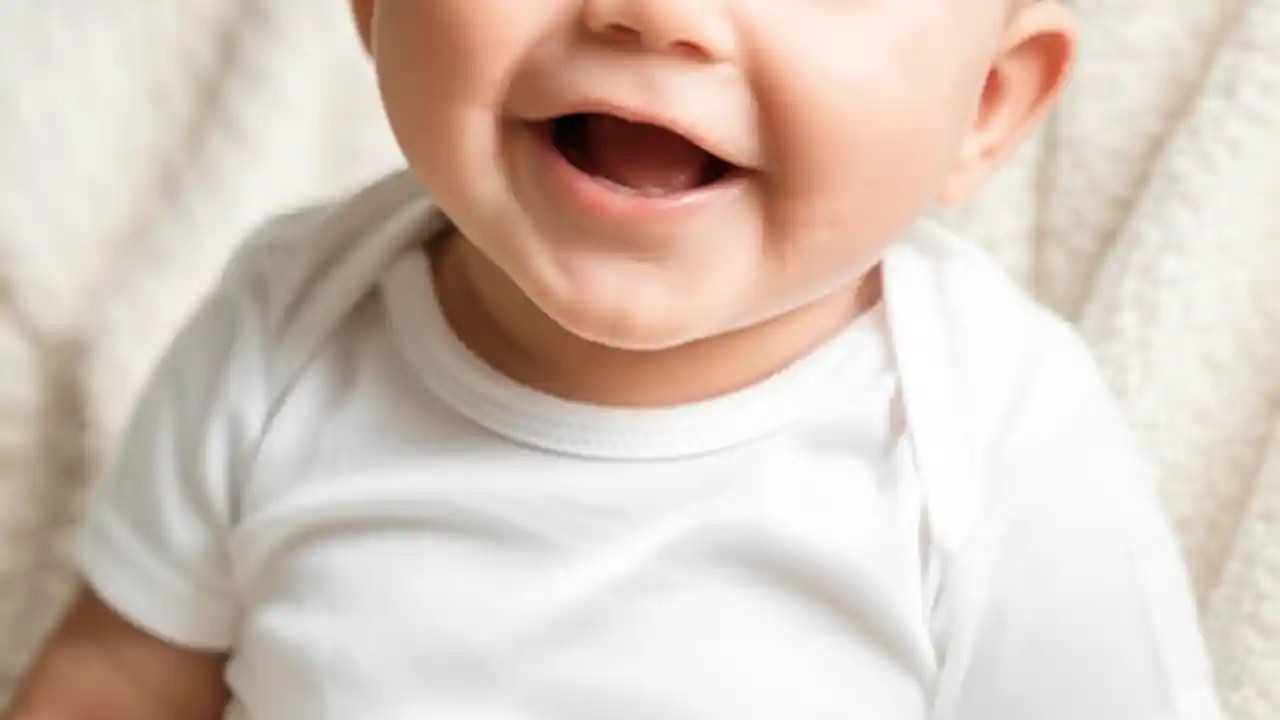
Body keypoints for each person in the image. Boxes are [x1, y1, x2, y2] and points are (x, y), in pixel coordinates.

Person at [8, 0, 1223, 718]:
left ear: (984, 107)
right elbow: (119, 683)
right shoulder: (289, 319)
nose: (655, 13)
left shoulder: (996, 429)